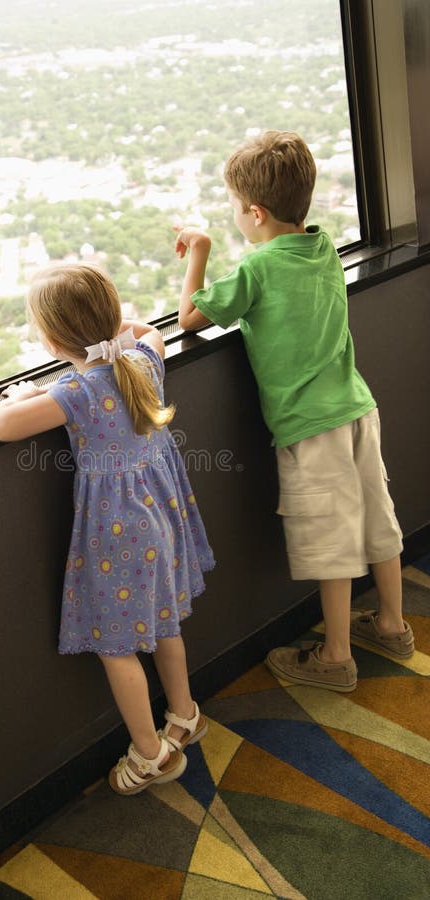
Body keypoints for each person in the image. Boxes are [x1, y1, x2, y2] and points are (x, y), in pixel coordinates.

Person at [173, 130, 414, 693]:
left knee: (332, 543)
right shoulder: (323, 246)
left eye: (236, 209)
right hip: (357, 408)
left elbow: (189, 318)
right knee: (379, 522)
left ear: (253, 213)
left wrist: (201, 251)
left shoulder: (256, 271)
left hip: (310, 428)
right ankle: (392, 624)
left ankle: (335, 657)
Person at [0, 263, 215, 793]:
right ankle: (184, 715)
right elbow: (151, 333)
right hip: (160, 517)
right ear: (111, 317)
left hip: (119, 534)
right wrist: (119, 330)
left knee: (117, 646)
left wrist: (23, 397)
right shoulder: (142, 362)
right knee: (165, 622)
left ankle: (152, 754)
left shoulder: (77, 392)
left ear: (50, 340)